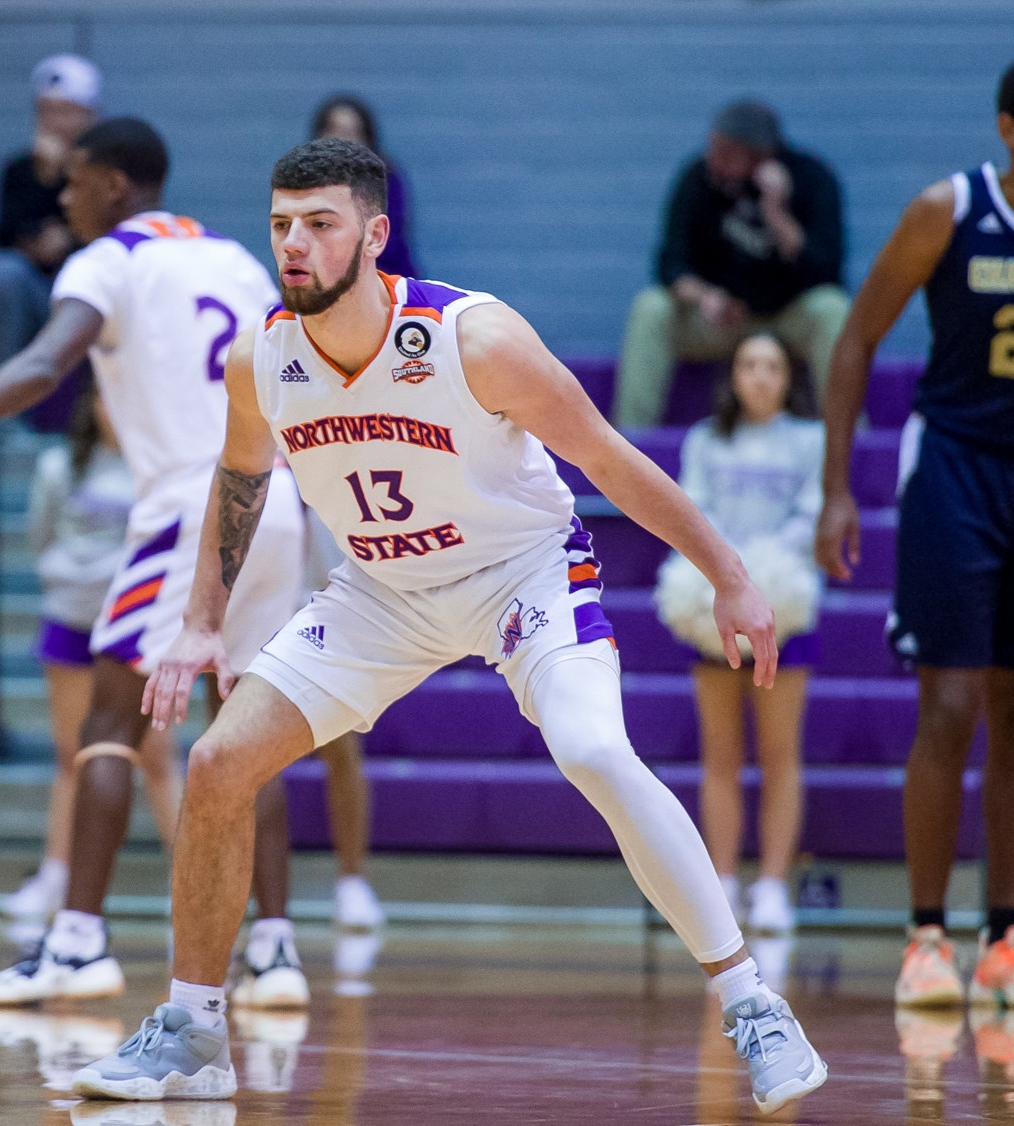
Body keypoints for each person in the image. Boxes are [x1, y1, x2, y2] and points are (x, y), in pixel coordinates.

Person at [69, 138, 826, 1114]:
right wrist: (200, 622)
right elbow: (241, 474)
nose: (292, 244)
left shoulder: (475, 339)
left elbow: (605, 457)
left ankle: (751, 1002)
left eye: (319, 224)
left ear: (374, 235)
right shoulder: (262, 358)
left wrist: (728, 574)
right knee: (218, 763)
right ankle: (192, 1031)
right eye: (280, 225)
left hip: (520, 575)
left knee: (594, 749)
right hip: (381, 591)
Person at [0, 118, 315, 1008]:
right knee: (247, 733)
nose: (63, 198)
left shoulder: (107, 261)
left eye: (73, 181)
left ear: (113, 184)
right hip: (277, 501)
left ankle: (77, 943)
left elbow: (45, 366)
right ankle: (274, 952)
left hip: (189, 502)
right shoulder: (237, 260)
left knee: (109, 725)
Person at [816, 55, 1014, 1011]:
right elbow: (856, 337)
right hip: (955, 471)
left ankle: (1008, 937)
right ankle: (927, 937)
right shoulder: (950, 210)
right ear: (1009, 129)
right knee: (950, 706)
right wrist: (836, 490)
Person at [655, 331, 823, 936]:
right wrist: (731, 572)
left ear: (787, 377)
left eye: (772, 365)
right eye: (749, 364)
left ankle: (773, 886)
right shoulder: (705, 440)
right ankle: (721, 884)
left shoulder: (810, 440)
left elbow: (811, 514)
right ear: (733, 375)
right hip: (714, 609)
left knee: (780, 757)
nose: (760, 376)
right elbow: (693, 510)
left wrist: (762, 570)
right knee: (720, 757)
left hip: (784, 607)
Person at [4, 388, 182, 922]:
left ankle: (190, 879)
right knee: (72, 756)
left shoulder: (163, 469)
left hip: (139, 631)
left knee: (156, 759)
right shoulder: (60, 466)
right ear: (94, 404)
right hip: (72, 622)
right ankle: (55, 878)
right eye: (106, 398)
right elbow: (41, 539)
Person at [617, 99, 849, 429]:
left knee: (832, 308)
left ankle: (849, 441)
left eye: (727, 153)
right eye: (713, 148)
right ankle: (629, 438)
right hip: (720, 320)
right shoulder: (698, 177)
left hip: (786, 318)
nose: (715, 160)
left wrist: (776, 212)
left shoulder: (812, 178)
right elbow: (670, 264)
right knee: (651, 307)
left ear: (761, 156)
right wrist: (705, 297)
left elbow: (826, 271)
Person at [0, 54, 99, 362]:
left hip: (84, 292)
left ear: (90, 116)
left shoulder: (105, 173)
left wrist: (67, 241)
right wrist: (44, 179)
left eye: (66, 111)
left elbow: (108, 240)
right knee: (2, 273)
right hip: (34, 291)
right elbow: (3, 236)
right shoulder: (18, 168)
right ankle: (8, 389)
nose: (55, 122)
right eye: (46, 111)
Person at [310, 94, 416, 280]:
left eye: (351, 132)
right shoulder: (306, 179)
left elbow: (390, 239)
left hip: (384, 275)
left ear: (366, 138)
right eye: (335, 130)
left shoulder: (386, 177)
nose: (342, 139)